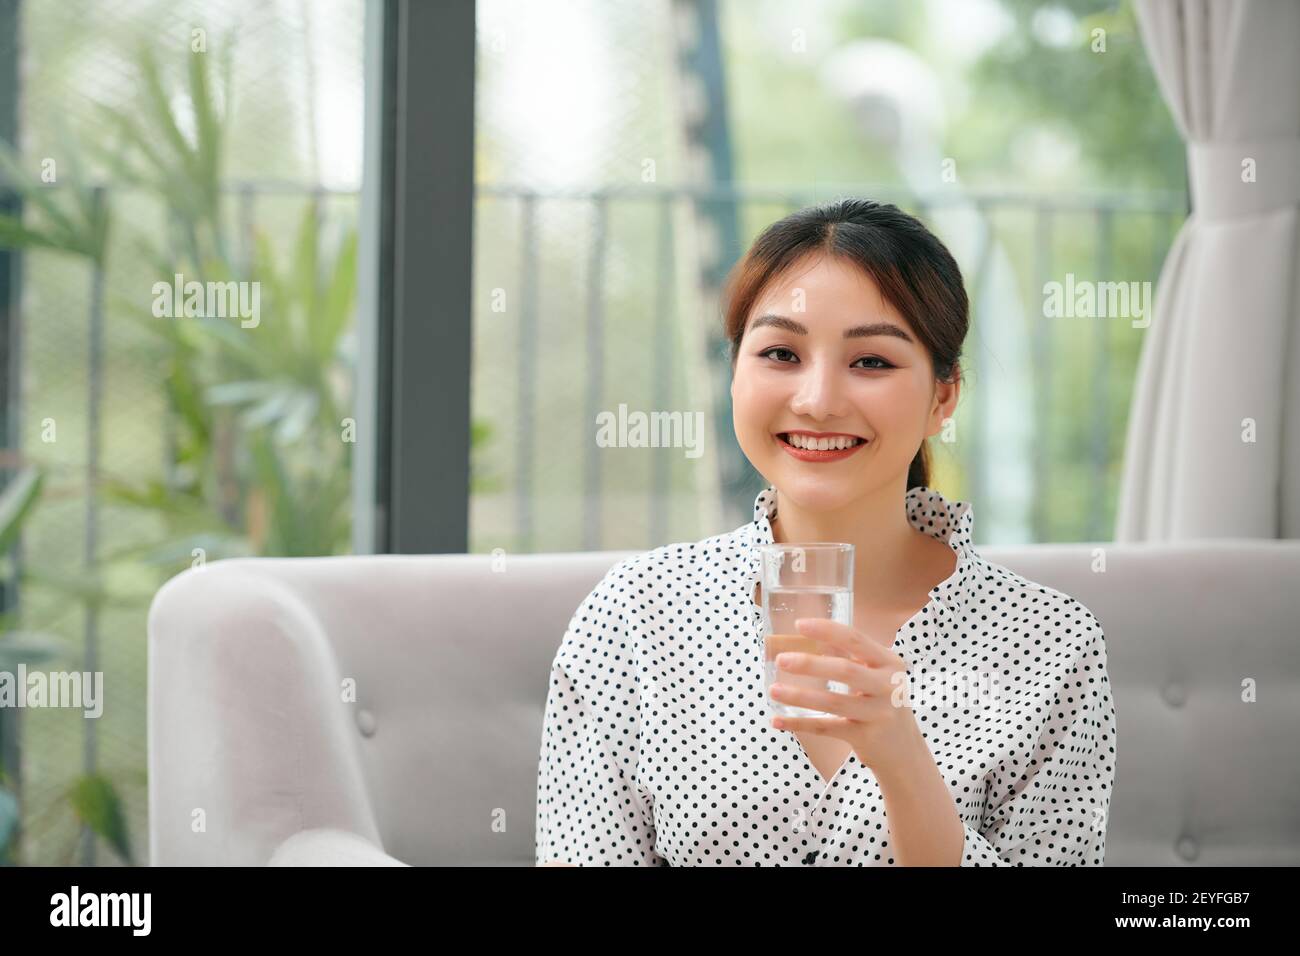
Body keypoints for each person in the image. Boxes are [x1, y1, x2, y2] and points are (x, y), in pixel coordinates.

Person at [535, 198, 1117, 866]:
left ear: (943, 396)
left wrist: (904, 766)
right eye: (781, 352)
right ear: (735, 374)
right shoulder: (639, 613)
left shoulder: (1052, 645)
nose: (817, 400)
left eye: (871, 362)